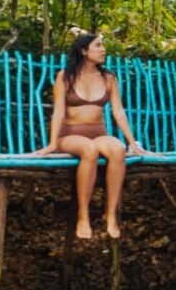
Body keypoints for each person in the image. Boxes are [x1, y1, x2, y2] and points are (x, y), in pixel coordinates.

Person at [39, 32, 145, 239]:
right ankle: (83, 214)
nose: (103, 49)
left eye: (102, 45)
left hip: (98, 134)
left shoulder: (108, 78)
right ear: (84, 51)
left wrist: (132, 143)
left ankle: (111, 213)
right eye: (98, 46)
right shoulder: (65, 76)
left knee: (117, 149)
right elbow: (58, 111)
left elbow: (118, 111)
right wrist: (52, 144)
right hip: (70, 136)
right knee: (89, 149)